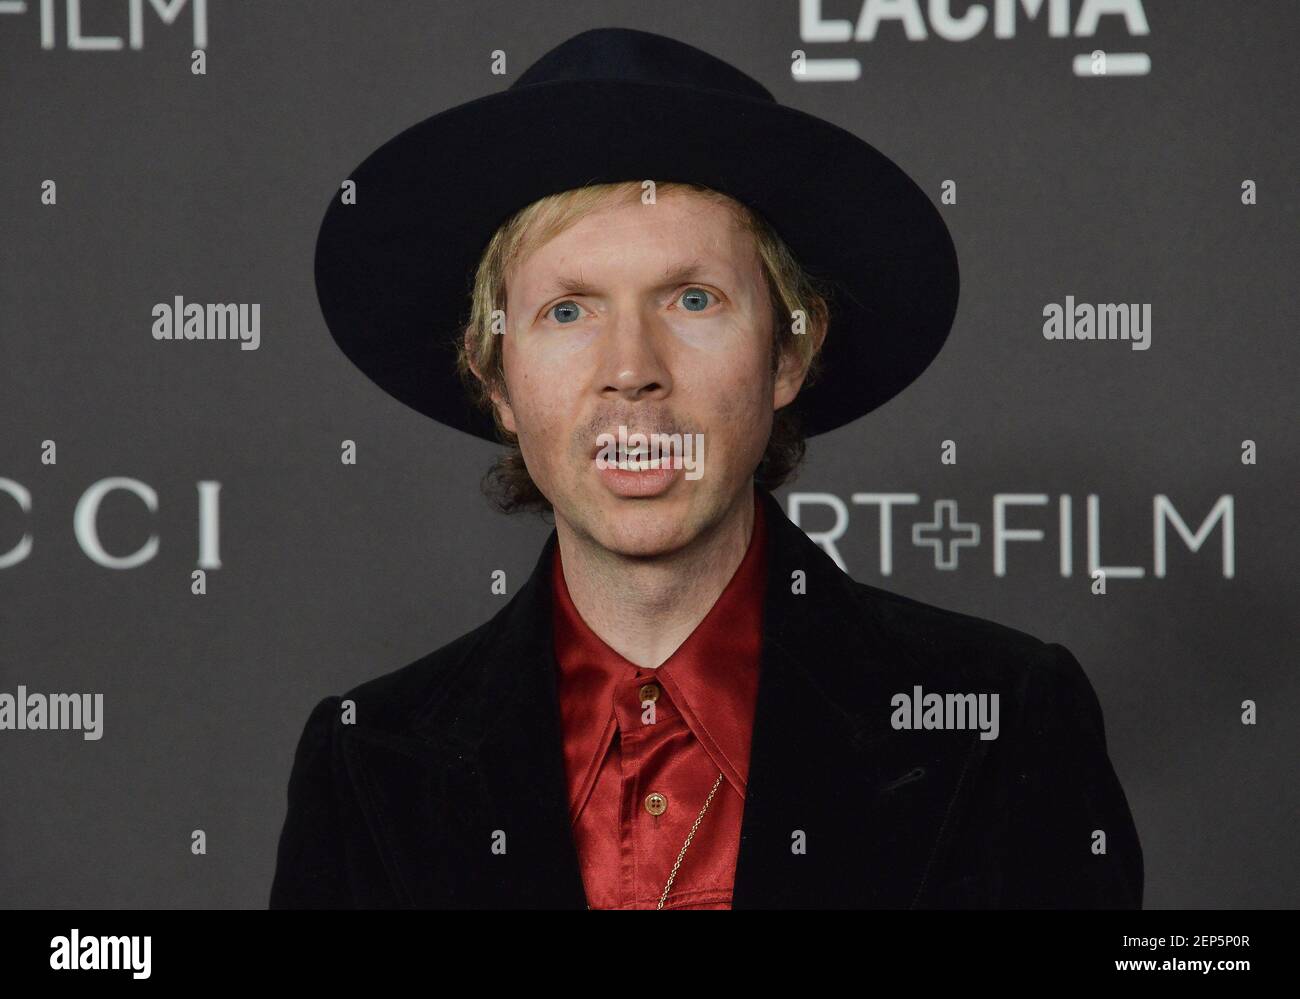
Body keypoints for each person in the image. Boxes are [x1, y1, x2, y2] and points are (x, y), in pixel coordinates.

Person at [270, 27, 1142, 909]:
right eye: (568, 310)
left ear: (789, 353)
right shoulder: (367, 765)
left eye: (693, 299)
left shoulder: (1006, 721)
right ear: (495, 377)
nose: (631, 366)